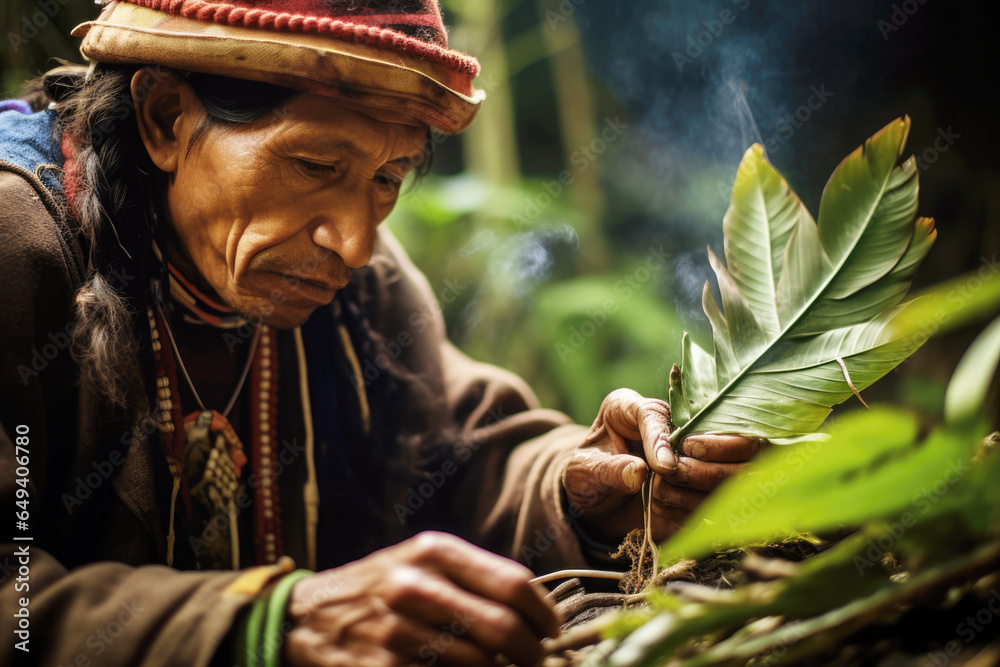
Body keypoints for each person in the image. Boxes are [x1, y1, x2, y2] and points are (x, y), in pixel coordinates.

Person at [0, 1, 766, 665]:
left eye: (387, 179)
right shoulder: (19, 248)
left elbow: (454, 455)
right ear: (166, 117)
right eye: (314, 163)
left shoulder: (338, 278)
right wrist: (265, 626)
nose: (357, 243)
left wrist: (578, 488)